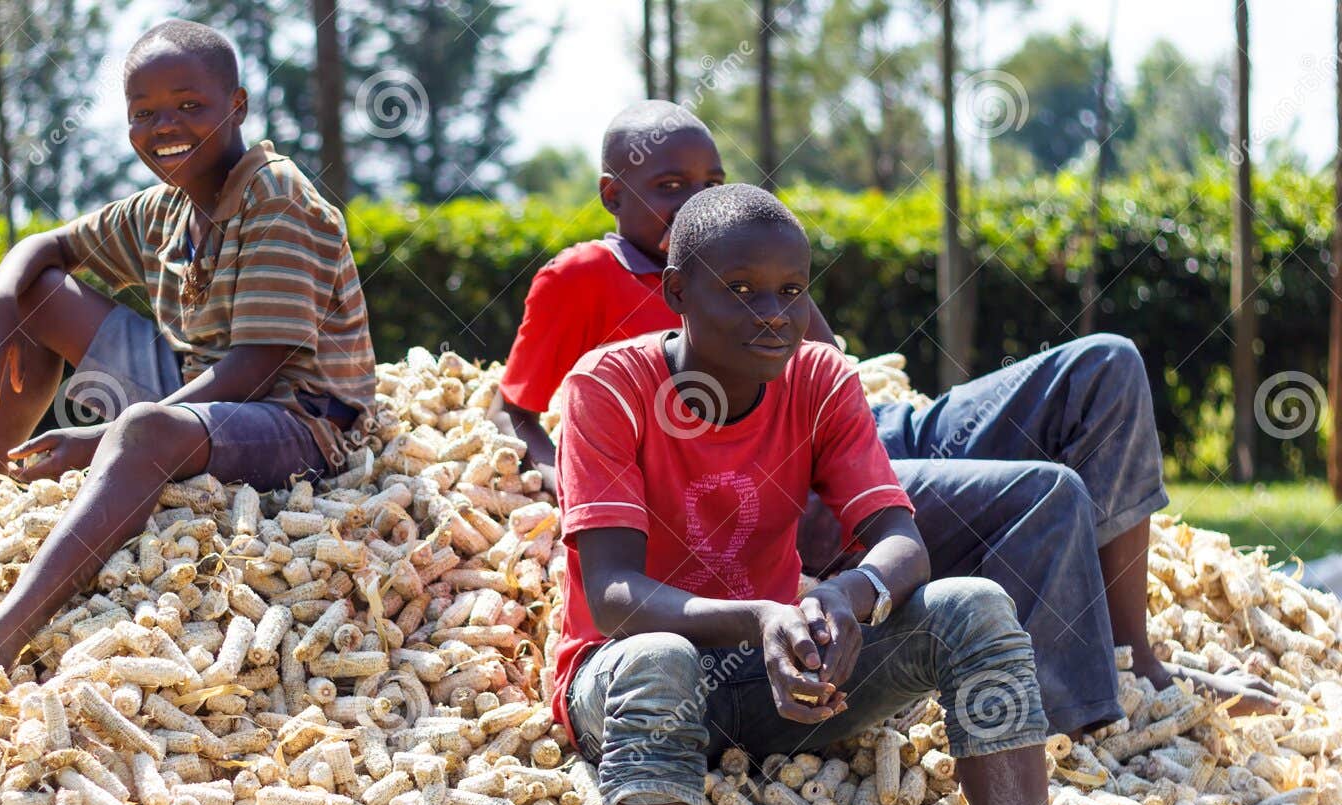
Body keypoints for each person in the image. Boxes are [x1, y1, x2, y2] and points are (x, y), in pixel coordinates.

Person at [553, 183, 1176, 805]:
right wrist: (767, 614)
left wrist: (845, 600)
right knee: (655, 656)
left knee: (975, 607)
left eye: (792, 288)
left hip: (767, 680)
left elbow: (899, 541)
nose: (775, 314)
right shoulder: (608, 389)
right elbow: (613, 593)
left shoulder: (819, 378)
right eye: (742, 289)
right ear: (676, 291)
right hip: (626, 682)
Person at [501, 100, 1278, 730]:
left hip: (853, 422)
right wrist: (556, 471)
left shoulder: (744, 253)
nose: (698, 198)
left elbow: (824, 361)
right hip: (779, 470)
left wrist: (778, 303)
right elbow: (518, 407)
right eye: (672, 185)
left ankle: (1130, 649)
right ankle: (1065, 704)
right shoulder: (585, 283)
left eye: (713, 179)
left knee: (1104, 362)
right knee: (1045, 494)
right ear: (614, 195)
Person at [0, 19, 374, 712]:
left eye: (190, 106)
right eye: (146, 113)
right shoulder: (166, 208)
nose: (167, 126)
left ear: (238, 107)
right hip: (194, 390)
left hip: (296, 421)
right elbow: (50, 245)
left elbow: (255, 368)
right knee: (39, 297)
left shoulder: (274, 197)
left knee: (143, 432)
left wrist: (97, 442)